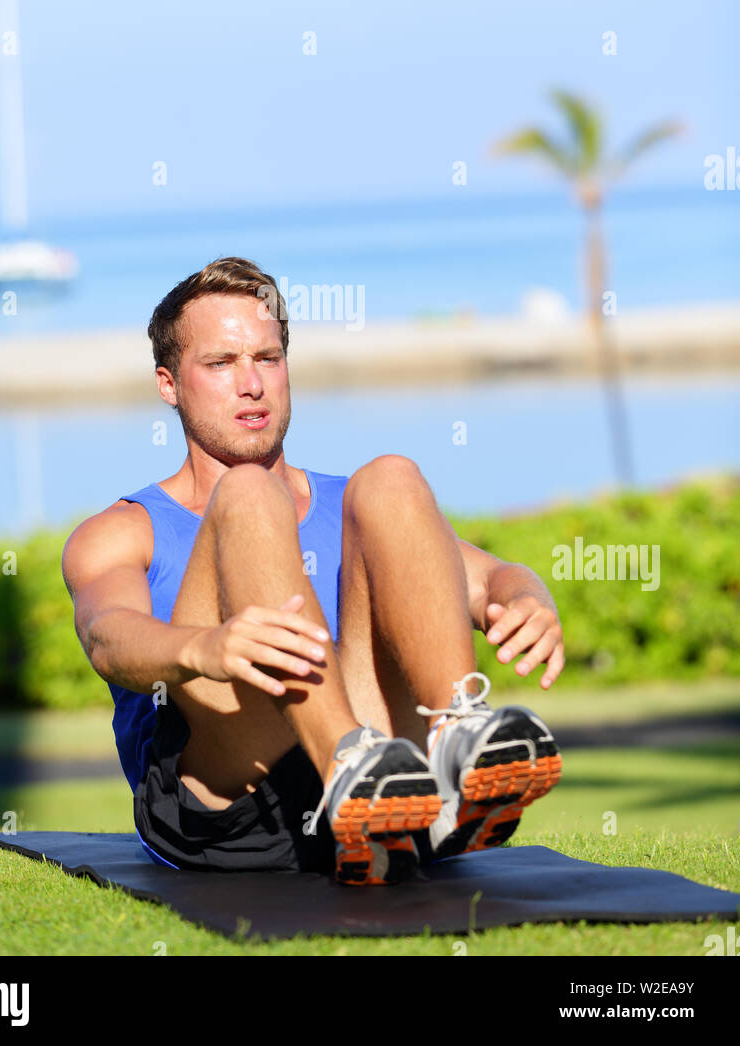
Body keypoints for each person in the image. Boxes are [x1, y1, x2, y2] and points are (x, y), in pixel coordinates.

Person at [62, 257, 564, 886]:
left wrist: (529, 600)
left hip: (389, 778)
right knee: (247, 494)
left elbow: (495, 579)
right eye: (221, 364)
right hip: (225, 795)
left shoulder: (353, 503)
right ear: (169, 384)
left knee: (392, 475)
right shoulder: (123, 529)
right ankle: (348, 768)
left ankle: (453, 740)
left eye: (267, 359)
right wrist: (205, 648)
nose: (252, 384)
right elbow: (108, 635)